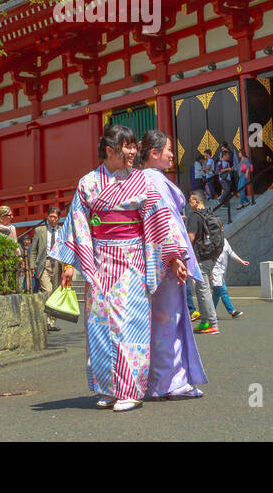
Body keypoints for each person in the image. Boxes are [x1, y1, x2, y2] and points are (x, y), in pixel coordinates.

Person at [49, 124, 187, 413]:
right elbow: (78, 224)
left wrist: (173, 257)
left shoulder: (143, 182)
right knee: (99, 325)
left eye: (134, 146)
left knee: (129, 323)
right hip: (100, 260)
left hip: (133, 259)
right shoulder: (88, 183)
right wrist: (71, 265)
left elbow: (159, 219)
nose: (133, 152)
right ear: (110, 150)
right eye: (127, 147)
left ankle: (131, 390)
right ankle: (108, 388)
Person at [135, 130, 208, 400]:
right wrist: (176, 257)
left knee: (157, 321)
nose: (171, 154)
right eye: (167, 150)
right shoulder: (154, 180)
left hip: (150, 257)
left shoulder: (142, 179)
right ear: (154, 153)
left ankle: (156, 380)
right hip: (163, 260)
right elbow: (163, 222)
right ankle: (170, 381)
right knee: (169, 319)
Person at [187, 191, 223, 334]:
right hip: (210, 255)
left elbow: (190, 237)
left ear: (196, 201)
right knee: (200, 289)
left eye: (190, 200)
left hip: (200, 256)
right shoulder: (208, 214)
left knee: (203, 290)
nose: (189, 203)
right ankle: (204, 321)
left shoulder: (194, 217)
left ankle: (212, 323)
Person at [29, 208, 62, 332]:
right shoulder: (40, 230)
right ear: (47, 217)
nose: (52, 219)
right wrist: (32, 266)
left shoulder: (62, 231)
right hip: (44, 263)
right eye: (50, 216)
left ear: (58, 218)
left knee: (54, 292)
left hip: (58, 264)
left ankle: (51, 321)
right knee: (47, 290)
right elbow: (34, 250)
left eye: (55, 217)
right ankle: (46, 320)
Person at [210, 237, 248, 319]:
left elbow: (230, 252)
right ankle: (232, 311)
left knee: (216, 294)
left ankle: (209, 312)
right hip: (215, 272)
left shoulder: (224, 240)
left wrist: (241, 261)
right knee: (223, 291)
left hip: (222, 272)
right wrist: (210, 272)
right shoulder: (211, 241)